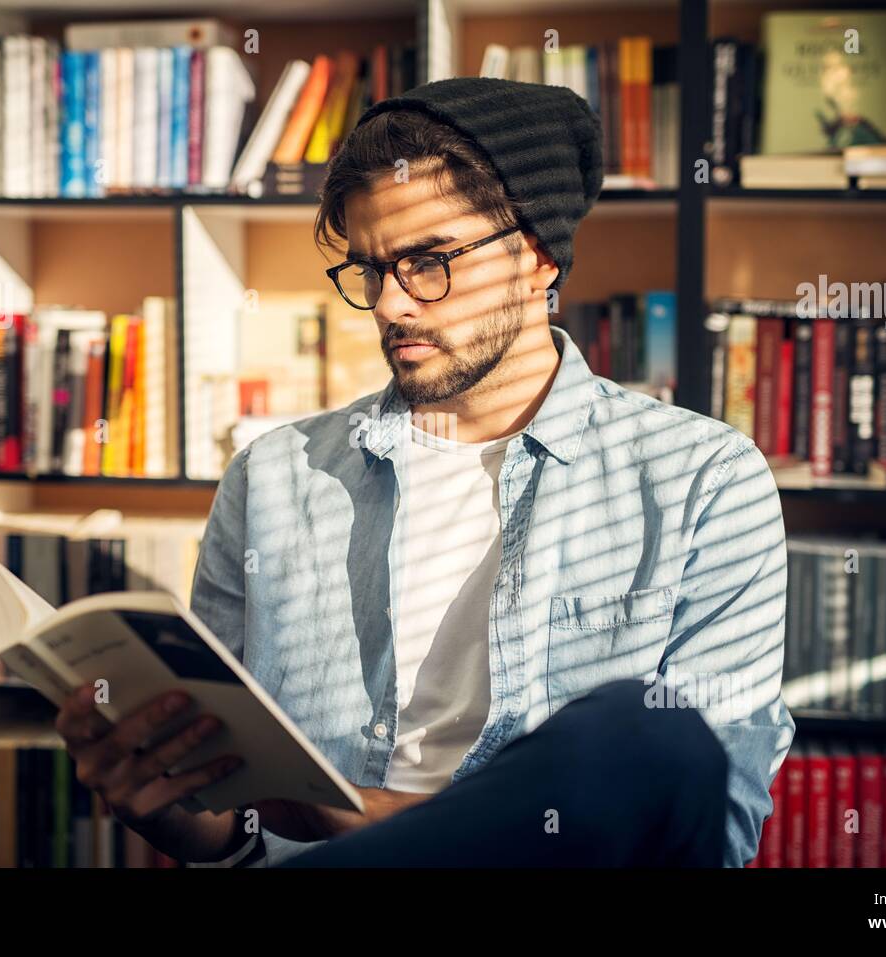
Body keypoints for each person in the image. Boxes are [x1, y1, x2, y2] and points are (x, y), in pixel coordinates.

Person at [55, 77, 794, 868]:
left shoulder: (702, 478)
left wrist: (346, 815)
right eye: (372, 270)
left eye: (429, 262)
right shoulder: (272, 478)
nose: (391, 306)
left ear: (537, 255)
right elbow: (233, 827)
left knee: (647, 737)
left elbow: (711, 828)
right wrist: (175, 812)